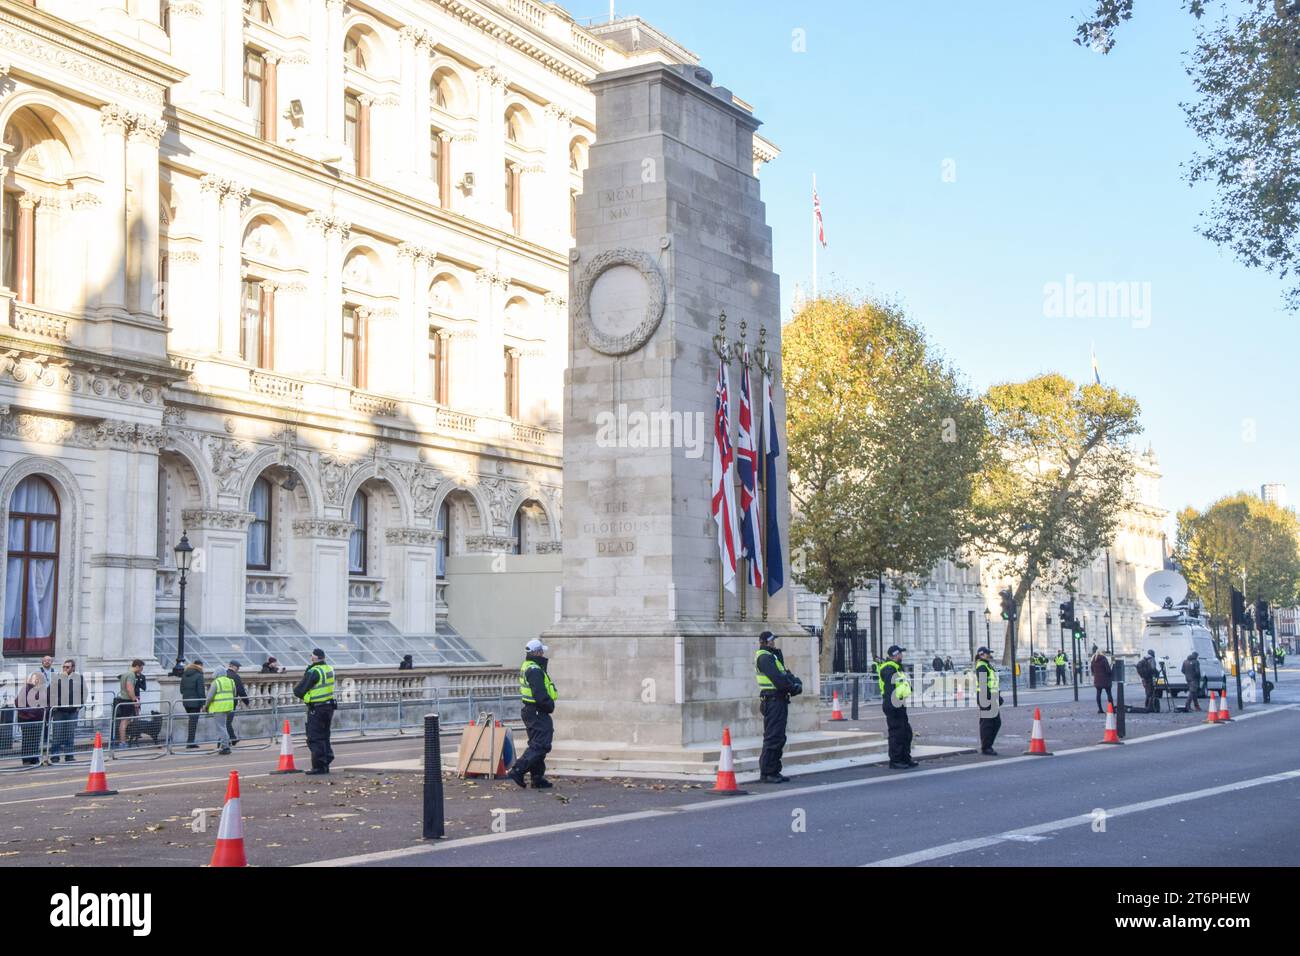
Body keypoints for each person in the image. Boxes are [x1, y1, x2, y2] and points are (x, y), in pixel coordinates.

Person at [507, 639, 557, 789]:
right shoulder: (534, 670)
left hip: (531, 711)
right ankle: (518, 769)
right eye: (541, 651)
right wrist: (549, 705)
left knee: (537, 743)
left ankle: (537, 778)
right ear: (536, 652)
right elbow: (540, 694)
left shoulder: (529, 666)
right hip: (537, 711)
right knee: (541, 744)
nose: (543, 653)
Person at [754, 630, 801, 784]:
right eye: (771, 640)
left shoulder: (772, 656)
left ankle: (774, 770)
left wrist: (795, 682)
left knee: (779, 737)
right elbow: (778, 679)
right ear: (765, 642)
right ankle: (767, 772)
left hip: (778, 700)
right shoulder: (764, 657)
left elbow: (786, 674)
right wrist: (793, 687)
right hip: (773, 700)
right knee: (773, 737)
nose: (774, 642)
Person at [293, 648, 336, 775]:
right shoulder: (329, 669)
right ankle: (326, 762)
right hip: (328, 707)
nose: (310, 658)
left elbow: (299, 691)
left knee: (315, 737)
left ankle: (318, 766)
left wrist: (306, 697)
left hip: (316, 708)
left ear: (315, 658)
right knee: (325, 736)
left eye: (311, 656)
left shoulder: (314, 671)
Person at [878, 645, 916, 769]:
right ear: (896, 655)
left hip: (899, 703)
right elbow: (890, 689)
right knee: (896, 733)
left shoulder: (896, 668)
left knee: (906, 732)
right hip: (893, 704)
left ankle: (905, 758)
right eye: (900, 653)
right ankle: (895, 760)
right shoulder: (889, 668)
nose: (902, 656)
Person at [49, 659, 85, 763]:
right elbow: (51, 692)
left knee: (70, 735)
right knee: (57, 735)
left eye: (67, 667)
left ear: (73, 668)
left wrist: (79, 706)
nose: (65, 669)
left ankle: (69, 756)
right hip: (59, 711)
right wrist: (54, 706)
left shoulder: (79, 678)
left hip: (72, 711)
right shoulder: (57, 678)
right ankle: (55, 756)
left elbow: (84, 693)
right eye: (64, 667)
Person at [973, 646, 1002, 755]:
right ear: (982, 654)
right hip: (985, 696)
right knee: (988, 723)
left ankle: (988, 745)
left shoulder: (987, 665)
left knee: (996, 722)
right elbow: (983, 684)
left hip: (990, 696)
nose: (990, 655)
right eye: (988, 653)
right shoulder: (982, 666)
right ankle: (986, 747)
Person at [202, 666, 237, 755]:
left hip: (219, 707)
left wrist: (206, 706)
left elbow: (209, 697)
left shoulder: (216, 682)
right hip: (229, 706)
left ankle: (226, 747)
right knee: (224, 726)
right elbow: (234, 694)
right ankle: (225, 744)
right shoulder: (231, 681)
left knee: (221, 727)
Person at [15, 673, 46, 765]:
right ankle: (27, 759)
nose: (37, 680)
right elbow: (18, 703)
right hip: (26, 719)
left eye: (39, 679)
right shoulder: (26, 689)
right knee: (27, 739)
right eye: (35, 679)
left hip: (38, 719)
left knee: (36, 739)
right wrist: (31, 713)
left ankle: (34, 758)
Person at [113, 660, 144, 749]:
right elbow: (130, 688)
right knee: (124, 722)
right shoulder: (131, 675)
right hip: (128, 700)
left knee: (124, 722)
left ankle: (123, 741)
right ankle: (123, 743)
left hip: (123, 699)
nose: (141, 670)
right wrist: (135, 700)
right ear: (137, 666)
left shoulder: (125, 674)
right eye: (141, 668)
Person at [222, 661, 250, 746]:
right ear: (234, 667)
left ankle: (230, 739)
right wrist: (247, 702)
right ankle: (230, 740)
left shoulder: (223, 675)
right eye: (238, 667)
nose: (238, 669)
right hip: (231, 702)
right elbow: (241, 691)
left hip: (220, 703)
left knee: (224, 723)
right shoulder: (235, 676)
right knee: (227, 723)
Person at [179, 659, 206, 749]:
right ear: (200, 666)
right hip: (195, 702)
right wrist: (203, 703)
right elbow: (201, 691)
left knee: (192, 721)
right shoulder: (199, 675)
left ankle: (190, 741)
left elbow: (181, 690)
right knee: (193, 722)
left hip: (186, 702)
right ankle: (190, 742)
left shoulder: (185, 674)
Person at [1090, 647, 1114, 714]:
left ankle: (1100, 709)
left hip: (1097, 680)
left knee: (1098, 694)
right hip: (1105, 680)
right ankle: (1111, 708)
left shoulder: (1093, 660)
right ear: (1102, 653)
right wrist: (1111, 671)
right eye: (1104, 652)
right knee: (1109, 694)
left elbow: (1092, 670)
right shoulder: (1104, 659)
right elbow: (1108, 670)